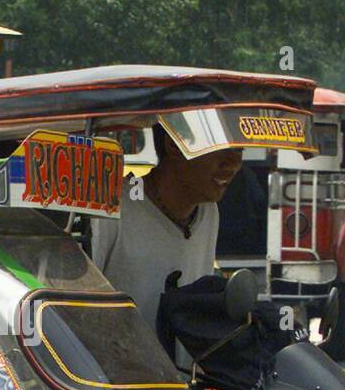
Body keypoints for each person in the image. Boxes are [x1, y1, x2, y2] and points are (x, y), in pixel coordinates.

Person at [90, 127, 242, 350]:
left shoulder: (209, 212)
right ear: (174, 144)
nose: (233, 163)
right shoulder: (112, 208)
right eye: (220, 147)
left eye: (239, 149)